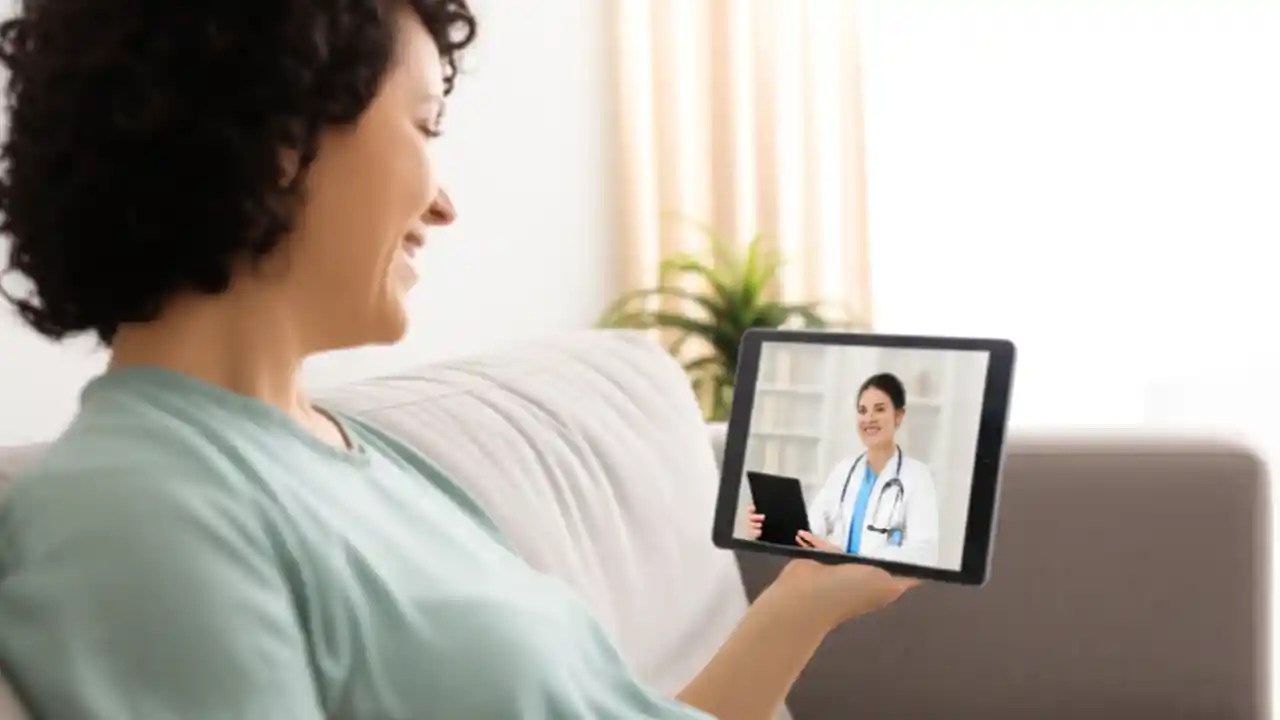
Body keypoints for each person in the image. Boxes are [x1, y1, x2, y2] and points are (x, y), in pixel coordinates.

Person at [0, 2, 918, 718]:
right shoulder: (135, 515)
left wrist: (801, 604)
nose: (444, 206)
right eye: (425, 123)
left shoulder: (345, 454)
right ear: (284, 141)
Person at [746, 373, 940, 567]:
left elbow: (923, 554)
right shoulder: (844, 471)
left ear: (898, 416)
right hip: (834, 576)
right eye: (862, 411)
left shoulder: (917, 477)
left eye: (879, 410)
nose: (869, 418)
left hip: (878, 586)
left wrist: (848, 559)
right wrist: (771, 528)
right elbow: (812, 530)